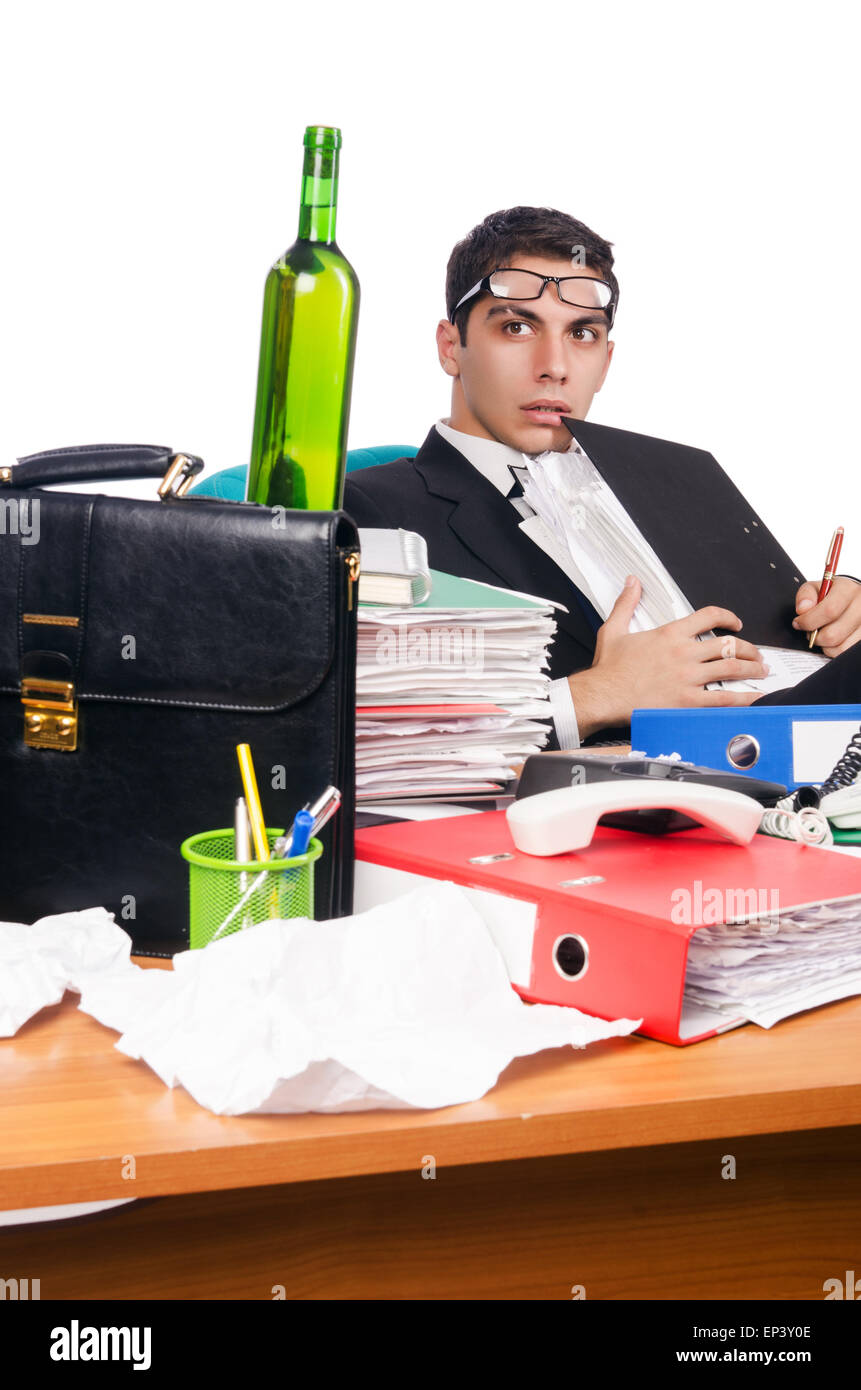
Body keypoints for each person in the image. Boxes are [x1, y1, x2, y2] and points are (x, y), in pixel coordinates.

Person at [343, 206, 861, 746]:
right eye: (517, 327)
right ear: (452, 347)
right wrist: (594, 696)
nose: (555, 365)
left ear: (606, 360)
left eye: (583, 334)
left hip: (785, 771)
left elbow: (779, 649)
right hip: (571, 811)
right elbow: (358, 738)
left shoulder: (668, 492)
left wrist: (840, 617)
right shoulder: (367, 514)